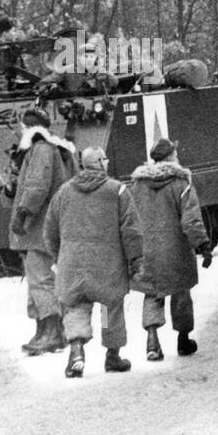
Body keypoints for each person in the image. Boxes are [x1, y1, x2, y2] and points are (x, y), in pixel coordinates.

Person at [43, 146, 143, 378]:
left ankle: (77, 351)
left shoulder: (63, 192)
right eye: (105, 159)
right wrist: (136, 259)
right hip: (107, 267)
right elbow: (131, 230)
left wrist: (59, 256)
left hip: (73, 266)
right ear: (99, 163)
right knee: (110, 308)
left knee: (76, 307)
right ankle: (112, 356)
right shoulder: (117, 191)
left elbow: (49, 231)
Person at [129, 138, 213, 361]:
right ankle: (183, 340)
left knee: (151, 293)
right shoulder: (181, 184)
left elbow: (130, 220)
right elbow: (191, 221)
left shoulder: (137, 185)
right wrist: (203, 245)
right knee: (181, 293)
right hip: (175, 250)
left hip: (147, 251)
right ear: (171, 157)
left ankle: (152, 341)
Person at [2, 106, 76, 356]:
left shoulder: (42, 150)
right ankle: (45, 331)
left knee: (41, 280)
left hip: (38, 228)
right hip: (41, 228)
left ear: (29, 128)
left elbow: (37, 187)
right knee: (39, 281)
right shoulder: (42, 150)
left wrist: (22, 214)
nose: (19, 131)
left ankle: (52, 333)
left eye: (22, 127)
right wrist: (12, 186)